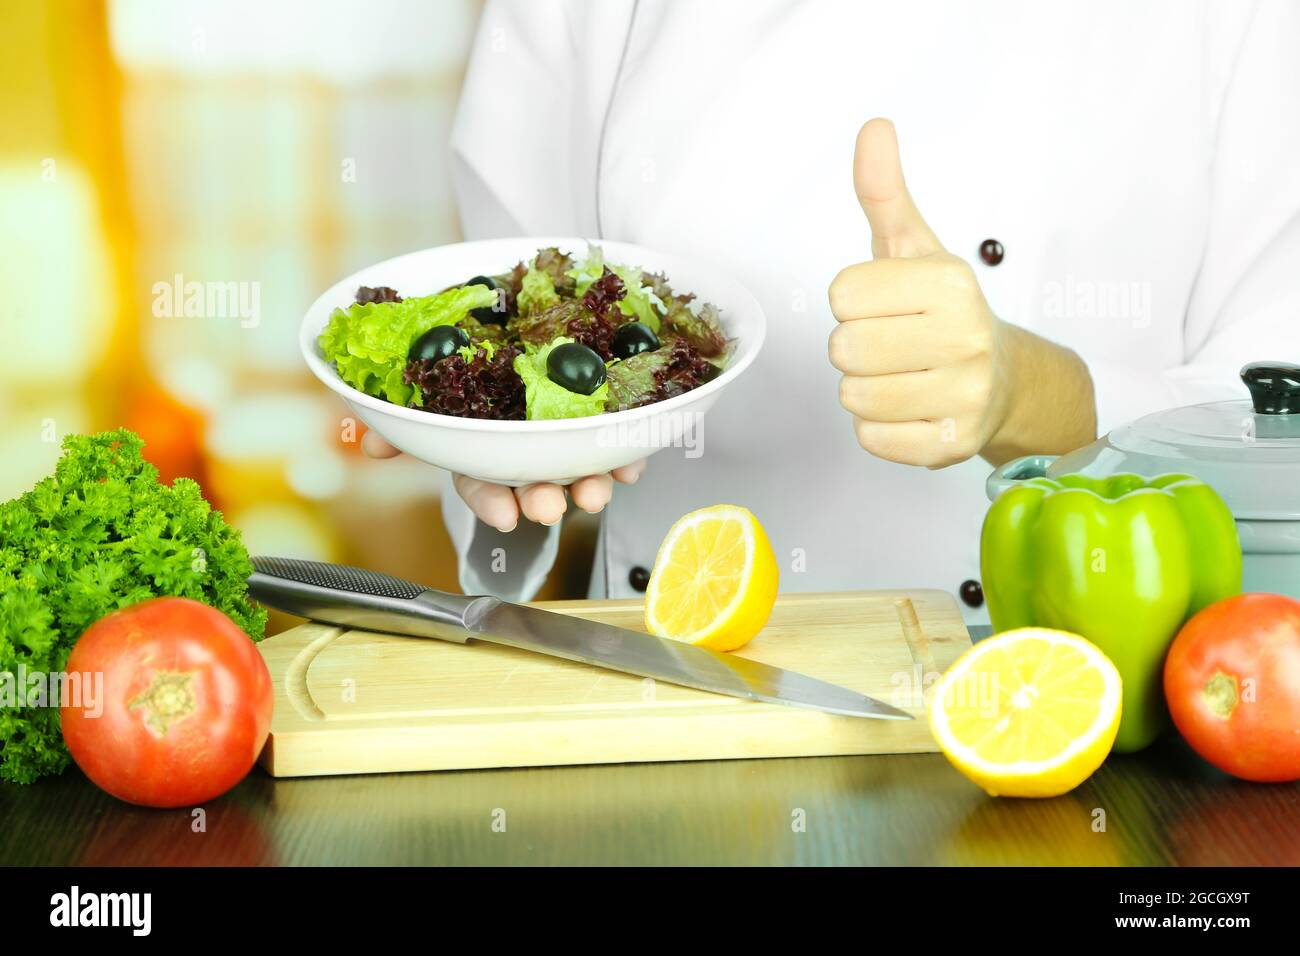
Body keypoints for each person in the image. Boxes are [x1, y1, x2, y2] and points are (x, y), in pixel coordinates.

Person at [366, 0, 1300, 622]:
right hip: (683, 707)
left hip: (1099, 712)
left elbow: (1274, 422)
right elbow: (532, 306)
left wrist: (1029, 397)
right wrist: (504, 456)